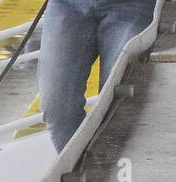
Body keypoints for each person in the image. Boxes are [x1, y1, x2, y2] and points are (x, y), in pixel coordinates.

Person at [38, 0, 154, 152]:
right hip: (67, 5)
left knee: (116, 106)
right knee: (57, 108)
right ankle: (84, 167)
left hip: (132, 7)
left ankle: (111, 169)